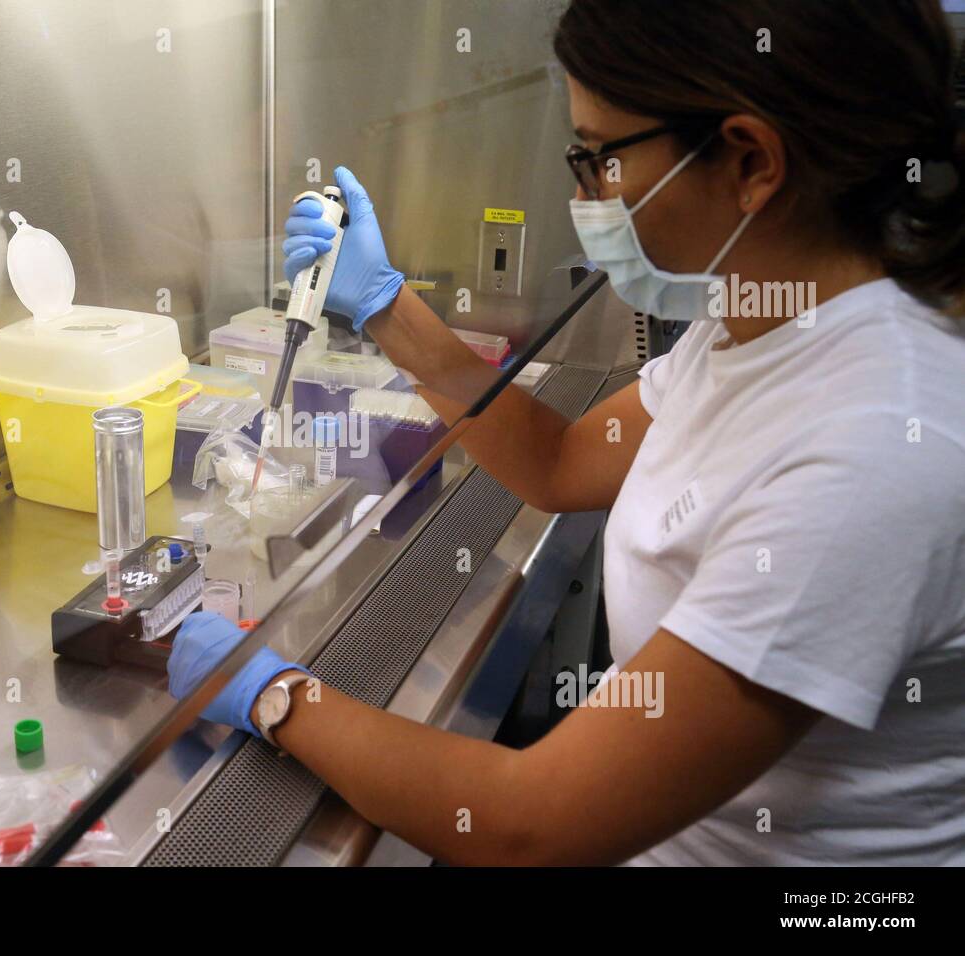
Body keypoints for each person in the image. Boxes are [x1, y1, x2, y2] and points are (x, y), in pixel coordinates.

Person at [170, 0, 965, 865]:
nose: (581, 195)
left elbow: (532, 825)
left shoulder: (871, 448)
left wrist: (271, 695)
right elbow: (562, 460)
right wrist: (384, 305)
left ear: (750, 161)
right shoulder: (758, 326)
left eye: (598, 158)